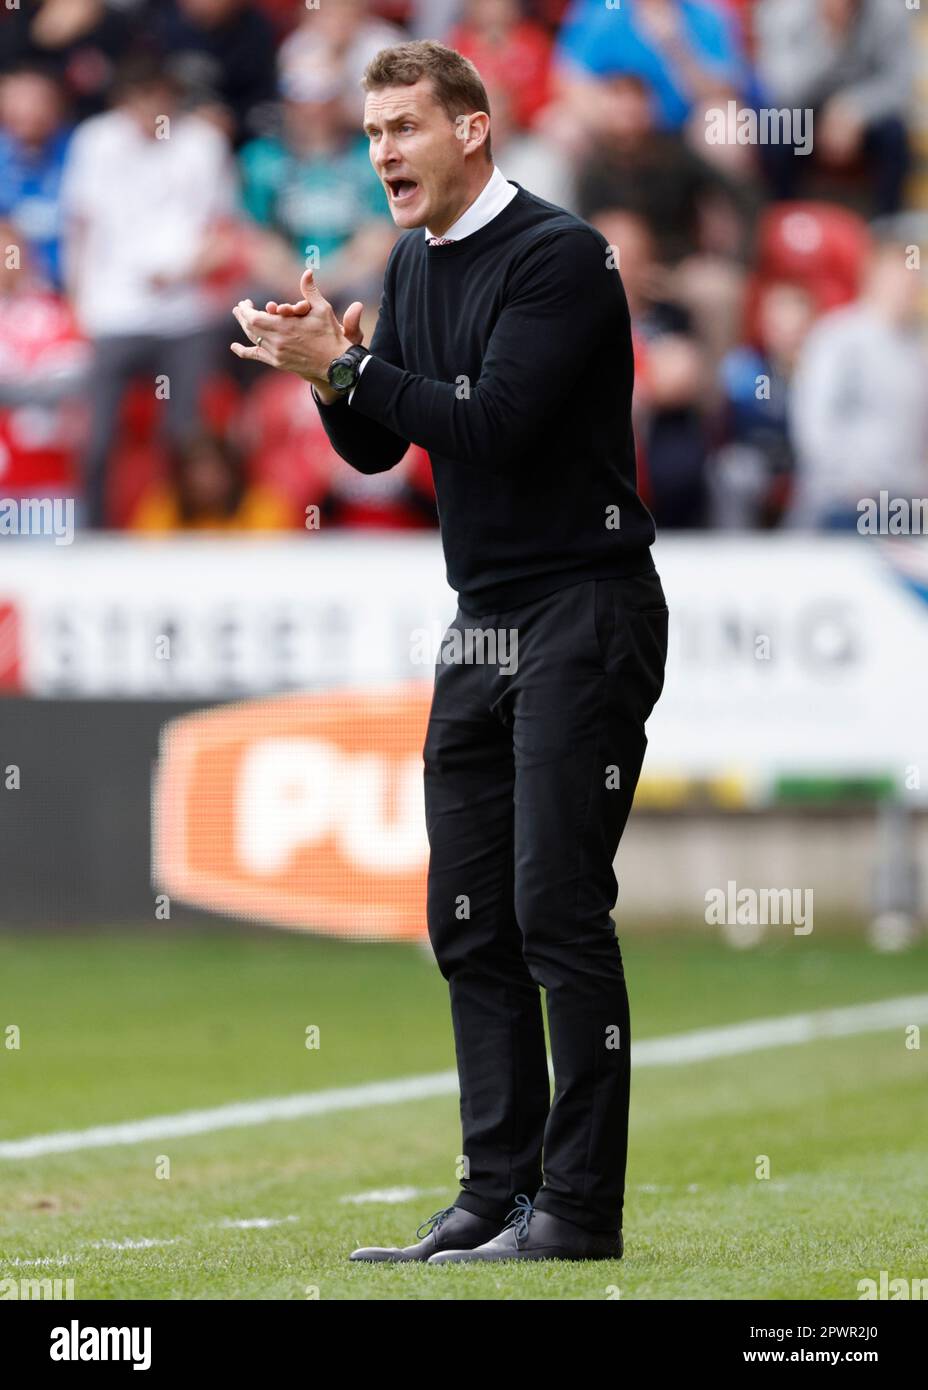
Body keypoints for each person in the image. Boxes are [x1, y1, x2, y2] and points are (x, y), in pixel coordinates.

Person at [231, 39, 668, 1264]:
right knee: (466, 917)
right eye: (371, 133)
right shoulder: (413, 264)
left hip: (585, 602)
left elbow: (501, 425)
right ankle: (494, 1190)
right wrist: (333, 380)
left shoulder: (562, 257)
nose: (381, 154)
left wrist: (351, 367)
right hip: (478, 615)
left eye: (404, 128)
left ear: (473, 130)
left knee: (553, 909)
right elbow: (387, 453)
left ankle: (576, 1211)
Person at [60, 55, 238, 526]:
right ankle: (92, 535)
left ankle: (176, 531)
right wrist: (77, 305)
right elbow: (78, 227)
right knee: (97, 436)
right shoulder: (95, 142)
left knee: (184, 435)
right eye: (141, 101)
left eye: (160, 100)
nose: (151, 112)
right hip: (112, 313)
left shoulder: (203, 143)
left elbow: (225, 232)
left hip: (185, 314)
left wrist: (185, 273)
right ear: (123, 102)